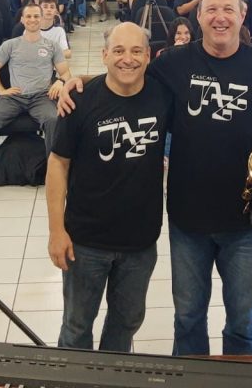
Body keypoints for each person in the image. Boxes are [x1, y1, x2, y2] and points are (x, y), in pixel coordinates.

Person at [60, 0, 252, 356]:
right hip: (187, 222)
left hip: (247, 222)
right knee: (187, 318)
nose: (220, 17)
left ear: (241, 16)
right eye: (211, 10)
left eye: (228, 10)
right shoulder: (174, 62)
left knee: (242, 322)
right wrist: (79, 82)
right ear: (198, 16)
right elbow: (126, 74)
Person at [47, 22, 170, 352]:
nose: (126, 59)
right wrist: (56, 231)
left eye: (135, 51)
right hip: (85, 241)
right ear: (104, 55)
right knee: (76, 326)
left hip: (140, 242)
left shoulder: (162, 95)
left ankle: (110, 375)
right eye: (118, 51)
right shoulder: (80, 101)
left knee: (127, 321)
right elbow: (58, 165)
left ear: (148, 56)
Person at [0, 3, 71, 190]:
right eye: (29, 16)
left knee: (53, 120)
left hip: (41, 96)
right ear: (22, 20)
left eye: (36, 16)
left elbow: (65, 73)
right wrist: (0, 90)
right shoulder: (10, 45)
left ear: (42, 19)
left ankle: (52, 170)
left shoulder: (52, 46)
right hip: (14, 96)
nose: (32, 20)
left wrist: (60, 82)